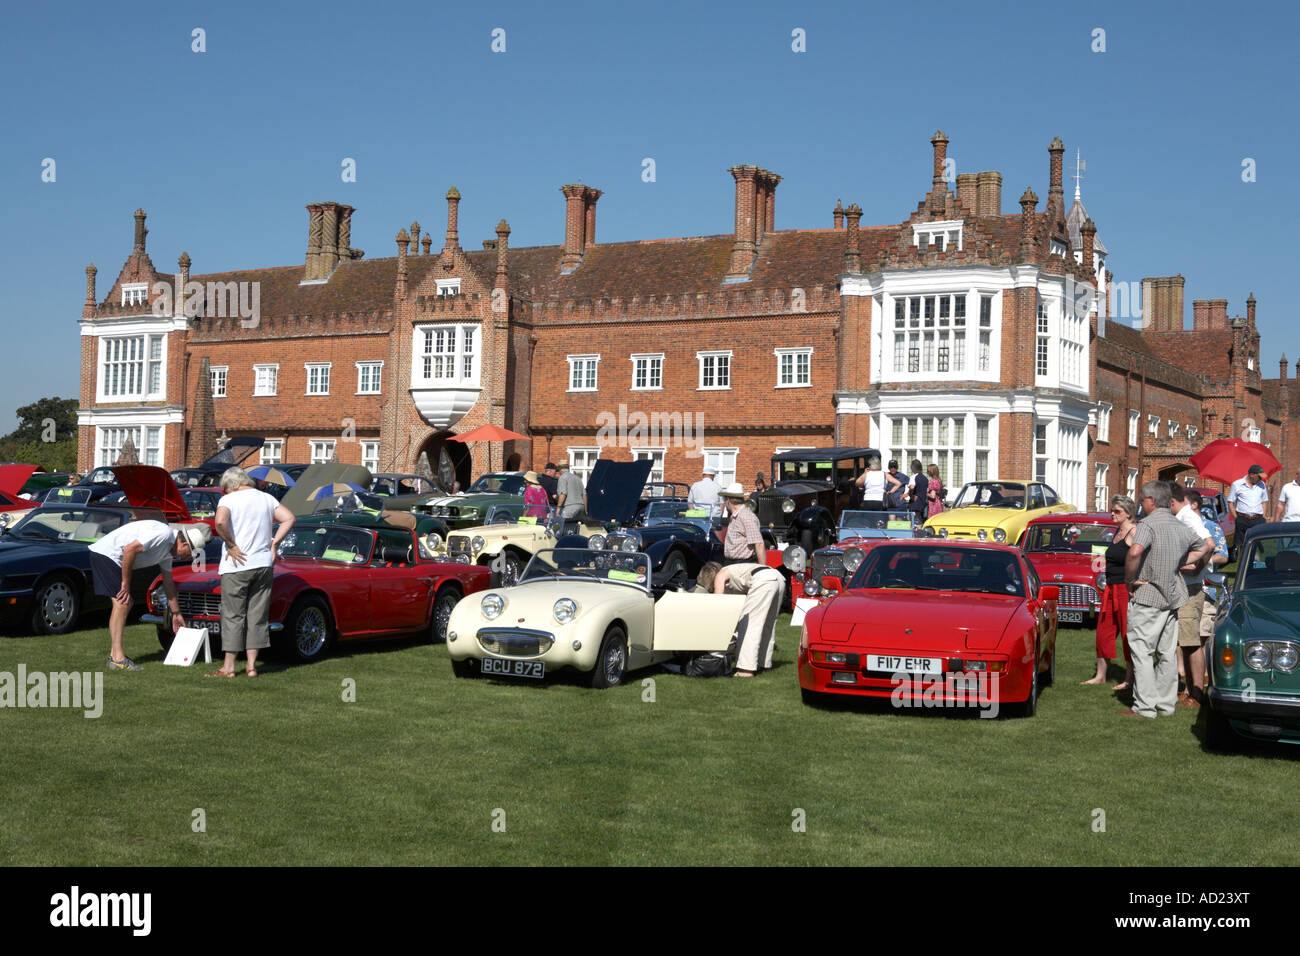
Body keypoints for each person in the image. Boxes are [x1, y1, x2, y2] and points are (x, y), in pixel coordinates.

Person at [1122, 481, 1214, 718]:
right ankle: (1165, 704)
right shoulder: (1179, 525)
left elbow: (1134, 551)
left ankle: (1144, 707)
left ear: (1152, 501)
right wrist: (1179, 563)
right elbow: (1205, 546)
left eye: (1142, 500)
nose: (1141, 504)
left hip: (1148, 595)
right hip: (1173, 596)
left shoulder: (1148, 524)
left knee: (1141, 651)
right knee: (1166, 652)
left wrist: (1129, 580)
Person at [88, 519, 211, 670]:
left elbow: (168, 583)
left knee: (125, 603)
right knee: (123, 603)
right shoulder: (163, 534)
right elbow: (129, 549)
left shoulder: (167, 553)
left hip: (110, 556)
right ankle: (117, 659)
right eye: (189, 554)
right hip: (106, 554)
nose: (187, 558)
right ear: (184, 544)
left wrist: (176, 613)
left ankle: (115, 656)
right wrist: (125, 584)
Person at [209, 466, 295, 678]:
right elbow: (289, 518)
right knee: (257, 616)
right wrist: (274, 544)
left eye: (225, 488)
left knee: (233, 615)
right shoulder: (266, 498)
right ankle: (251, 667)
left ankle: (228, 667)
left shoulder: (228, 500)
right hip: (263, 564)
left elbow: (219, 522)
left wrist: (231, 544)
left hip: (237, 565)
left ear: (232, 484)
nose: (225, 492)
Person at [697, 560, 781, 677]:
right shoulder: (733, 571)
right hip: (777, 577)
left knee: (749, 624)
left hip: (763, 580)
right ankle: (764, 664)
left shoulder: (720, 575)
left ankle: (745, 670)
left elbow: (718, 603)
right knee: (768, 625)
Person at [1170, 484, 1215, 702]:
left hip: (1190, 588)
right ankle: (1188, 689)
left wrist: (1195, 567)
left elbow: (1209, 544)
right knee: (1184, 642)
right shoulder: (1183, 517)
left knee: (1190, 643)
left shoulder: (1187, 518)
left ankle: (1196, 694)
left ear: (1171, 501)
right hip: (1183, 588)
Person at [1088, 495, 1136, 687]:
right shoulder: (1117, 531)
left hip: (1124, 589)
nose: (1112, 514)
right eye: (1112, 510)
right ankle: (1101, 675)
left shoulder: (1134, 532)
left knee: (1126, 632)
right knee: (1104, 632)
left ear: (1128, 514)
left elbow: (1141, 557)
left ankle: (1129, 679)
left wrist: (1135, 582)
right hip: (1110, 587)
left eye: (1117, 511)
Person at [1187, 489, 1230, 703]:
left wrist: (1205, 555)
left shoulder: (1211, 527)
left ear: (1193, 505)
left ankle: (1203, 677)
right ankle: (1186, 678)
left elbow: (1224, 555)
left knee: (1202, 635)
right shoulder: (1184, 525)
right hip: (1185, 586)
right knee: (1184, 636)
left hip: (1206, 586)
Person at [719, 482, 765, 566]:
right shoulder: (736, 516)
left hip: (743, 564)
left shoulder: (746, 516)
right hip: (733, 563)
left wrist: (761, 570)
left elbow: (759, 544)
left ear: (728, 500)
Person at [1227, 464, 1269, 544]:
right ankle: (1240, 556)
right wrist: (1236, 518)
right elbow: (1230, 502)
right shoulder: (1237, 485)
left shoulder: (1262, 484)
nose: (1261, 478)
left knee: (1258, 544)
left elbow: (1264, 502)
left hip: (1258, 520)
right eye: (1259, 476)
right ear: (1251, 475)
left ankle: (1256, 556)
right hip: (1242, 519)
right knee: (1240, 544)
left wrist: (1263, 516)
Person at [555, 461, 586, 532]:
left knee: (563, 527)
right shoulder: (577, 478)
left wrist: (558, 508)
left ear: (560, 470)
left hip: (570, 506)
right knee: (577, 529)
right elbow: (584, 495)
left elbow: (563, 493)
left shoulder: (563, 477)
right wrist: (585, 510)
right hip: (581, 506)